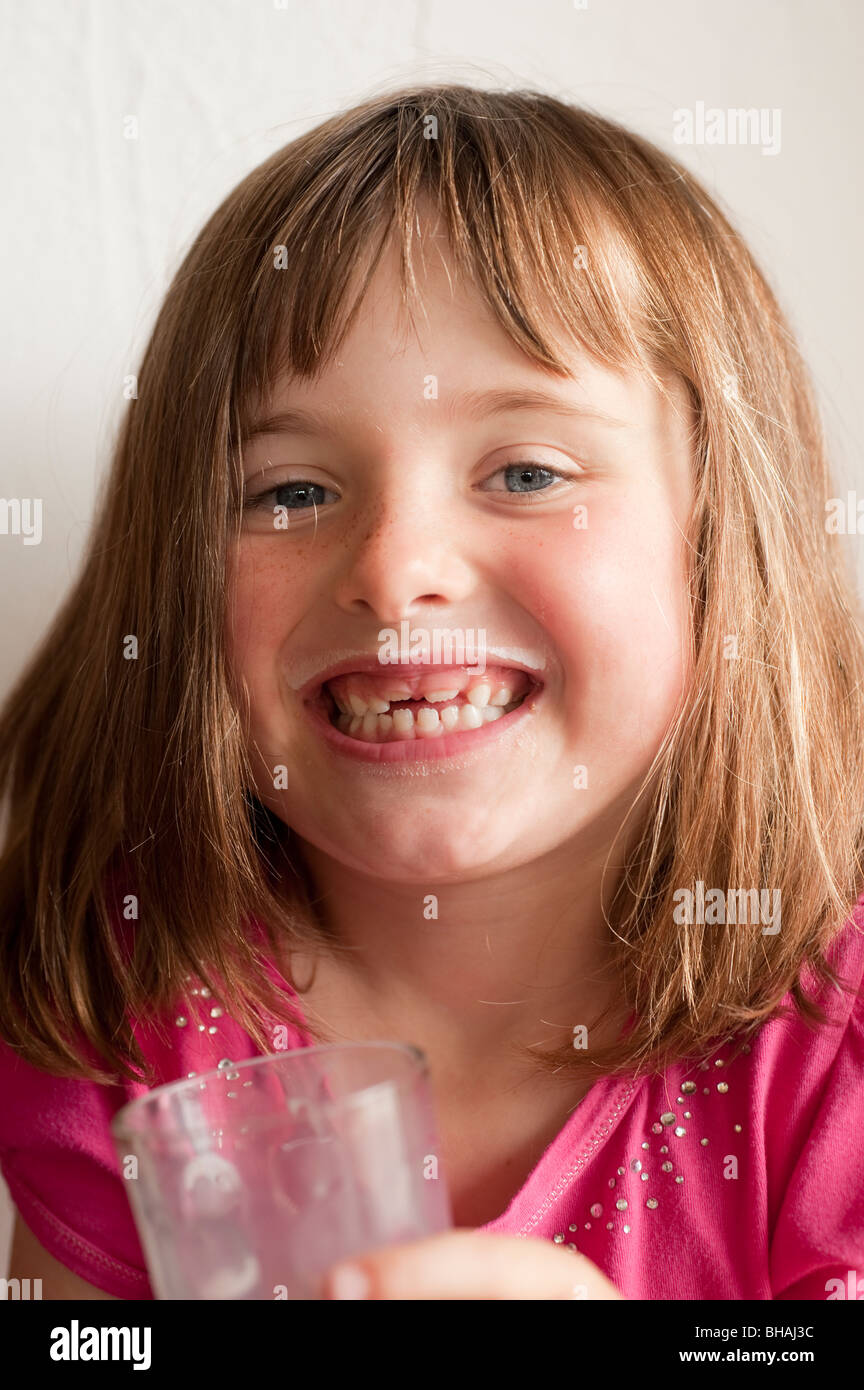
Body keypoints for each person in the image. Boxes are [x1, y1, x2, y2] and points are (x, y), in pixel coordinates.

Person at [1, 83, 863, 1302]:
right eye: (290, 491)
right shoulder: (127, 1010)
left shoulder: (837, 1052)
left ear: (724, 538)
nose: (396, 569)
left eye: (525, 468)